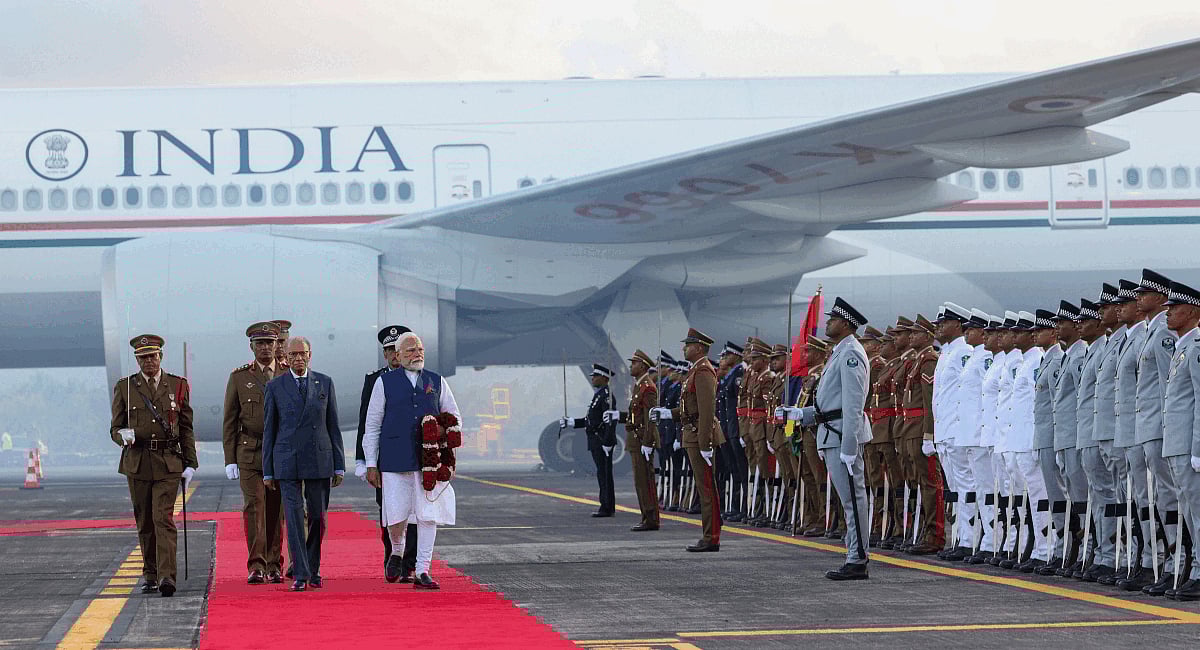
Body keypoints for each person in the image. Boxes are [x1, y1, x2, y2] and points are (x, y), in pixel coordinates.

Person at [781, 297, 873, 580]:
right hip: (831, 432)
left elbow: (853, 403)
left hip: (842, 435)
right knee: (848, 499)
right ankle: (854, 553)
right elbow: (830, 403)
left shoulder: (850, 354)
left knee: (853, 500)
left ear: (845, 324)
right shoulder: (839, 352)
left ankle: (858, 559)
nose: (827, 323)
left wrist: (848, 446)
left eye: (832, 319)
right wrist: (800, 414)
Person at [363, 332, 460, 590]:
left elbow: (454, 416)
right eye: (409, 350)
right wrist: (370, 463)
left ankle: (423, 569)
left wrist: (440, 434)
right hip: (395, 459)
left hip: (429, 461)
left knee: (428, 515)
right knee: (397, 513)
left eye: (419, 349)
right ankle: (396, 550)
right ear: (397, 355)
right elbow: (372, 426)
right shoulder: (384, 383)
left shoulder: (437, 381)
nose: (416, 353)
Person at [110, 334, 197, 597]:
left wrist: (191, 463)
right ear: (137, 360)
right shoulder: (125, 387)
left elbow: (186, 428)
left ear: (161, 356)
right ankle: (150, 573)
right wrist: (121, 437)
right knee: (145, 522)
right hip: (137, 462)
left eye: (153, 356)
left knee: (163, 519)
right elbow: (114, 427)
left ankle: (166, 577)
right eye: (143, 357)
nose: (149, 361)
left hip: (168, 462)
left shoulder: (177, 385)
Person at [262, 336, 345, 592]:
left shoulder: (325, 382)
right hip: (287, 460)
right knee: (295, 518)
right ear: (284, 356)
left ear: (310, 355)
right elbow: (269, 430)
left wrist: (339, 463)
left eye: (303, 353)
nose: (298, 358)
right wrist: (268, 470)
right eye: (293, 354)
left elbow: (333, 425)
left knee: (318, 518)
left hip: (319, 459)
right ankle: (300, 572)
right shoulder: (275, 387)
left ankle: (313, 566)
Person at [222, 321, 287, 584]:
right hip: (249, 452)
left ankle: (274, 564)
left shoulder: (286, 374)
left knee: (276, 510)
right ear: (251, 346)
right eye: (260, 343)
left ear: (276, 344)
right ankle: (256, 565)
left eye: (269, 343)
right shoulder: (239, 377)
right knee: (254, 508)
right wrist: (230, 459)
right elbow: (230, 420)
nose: (265, 348)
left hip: (280, 452)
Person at [354, 326, 420, 581]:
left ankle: (409, 564)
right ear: (385, 354)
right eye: (389, 350)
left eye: (397, 349)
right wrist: (363, 459)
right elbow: (366, 421)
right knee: (388, 510)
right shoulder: (375, 380)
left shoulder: (420, 377)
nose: (394, 354)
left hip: (414, 455)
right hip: (386, 459)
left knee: (416, 511)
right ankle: (391, 556)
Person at [651, 328, 725, 552]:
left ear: (699, 348)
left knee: (706, 489)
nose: (684, 348)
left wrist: (706, 444)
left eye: (688, 345)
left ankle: (711, 537)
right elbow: (689, 407)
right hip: (691, 433)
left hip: (699, 435)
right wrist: (667, 413)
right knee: (704, 487)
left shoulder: (703, 372)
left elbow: (706, 410)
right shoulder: (695, 371)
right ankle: (709, 534)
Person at [1132, 269, 1181, 597]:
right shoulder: (1151, 331)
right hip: (1146, 428)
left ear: (1160, 298)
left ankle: (1176, 561)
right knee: (1156, 498)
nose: (1138, 297)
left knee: (1169, 496)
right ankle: (1166, 563)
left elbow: (1170, 385)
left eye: (1144, 292)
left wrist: (1166, 429)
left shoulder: (1164, 333)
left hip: (1160, 429)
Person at [1159, 280, 1200, 601]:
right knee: (1188, 511)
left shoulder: (1197, 346)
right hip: (1176, 444)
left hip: (1189, 445)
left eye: (1174, 309)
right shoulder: (1183, 347)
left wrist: (1198, 449)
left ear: (1192, 311)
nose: (1168, 313)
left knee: (1197, 512)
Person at [1075, 298, 1115, 582]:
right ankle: (1101, 553)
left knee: (1108, 496)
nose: (1080, 325)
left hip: (1104, 431)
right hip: (1090, 432)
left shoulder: (1105, 349)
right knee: (1099, 497)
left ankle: (1111, 555)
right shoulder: (1095, 351)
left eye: (1086, 319)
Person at [605, 349, 661, 531]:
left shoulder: (648, 387)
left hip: (641, 439)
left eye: (634, 363)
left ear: (643, 366)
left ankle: (651, 518)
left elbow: (651, 417)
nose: (631, 366)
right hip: (635, 438)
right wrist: (619, 416)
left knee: (645, 479)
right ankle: (646, 516)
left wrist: (647, 442)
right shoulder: (639, 386)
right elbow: (634, 415)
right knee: (640, 480)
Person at [562, 364, 618, 517]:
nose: (592, 378)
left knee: (605, 474)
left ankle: (607, 507)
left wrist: (607, 441)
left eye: (595, 376)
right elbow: (591, 419)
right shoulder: (599, 395)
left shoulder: (606, 395)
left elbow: (609, 421)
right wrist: (573, 422)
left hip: (601, 440)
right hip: (595, 439)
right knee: (601, 473)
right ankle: (605, 504)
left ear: (604, 378)